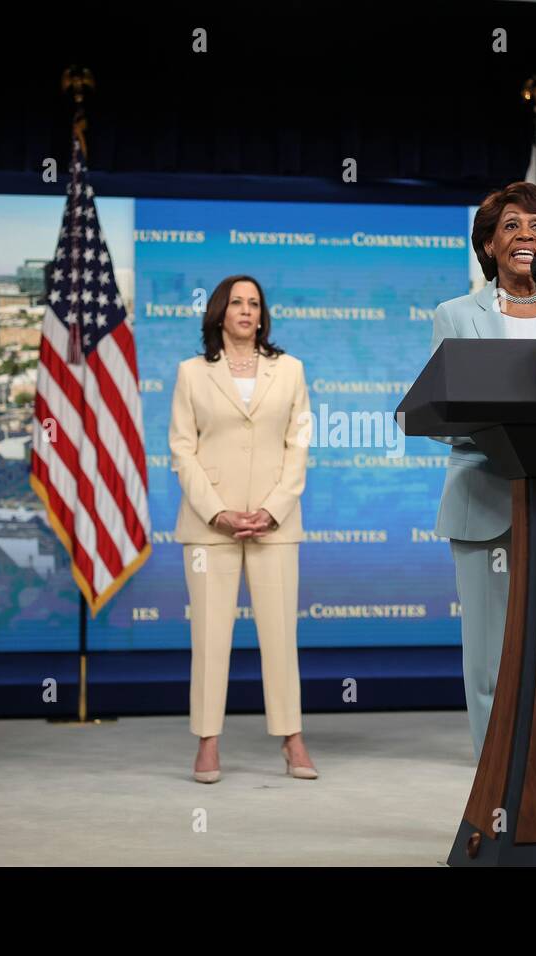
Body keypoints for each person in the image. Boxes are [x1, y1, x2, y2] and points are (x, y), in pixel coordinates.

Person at [428, 181, 536, 760]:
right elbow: (437, 415)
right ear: (489, 246)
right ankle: (497, 768)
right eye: (511, 226)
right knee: (489, 654)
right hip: (483, 497)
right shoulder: (456, 315)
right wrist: (500, 427)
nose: (525, 236)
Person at [169, 275, 317, 783]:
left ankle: (293, 740)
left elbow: (299, 446)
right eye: (237, 303)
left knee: (280, 636)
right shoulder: (192, 373)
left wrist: (273, 508)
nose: (247, 311)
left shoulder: (291, 370)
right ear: (219, 312)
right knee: (210, 639)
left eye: (255, 303)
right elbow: (182, 450)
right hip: (211, 527)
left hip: (275, 524)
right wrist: (218, 511)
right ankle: (208, 743)